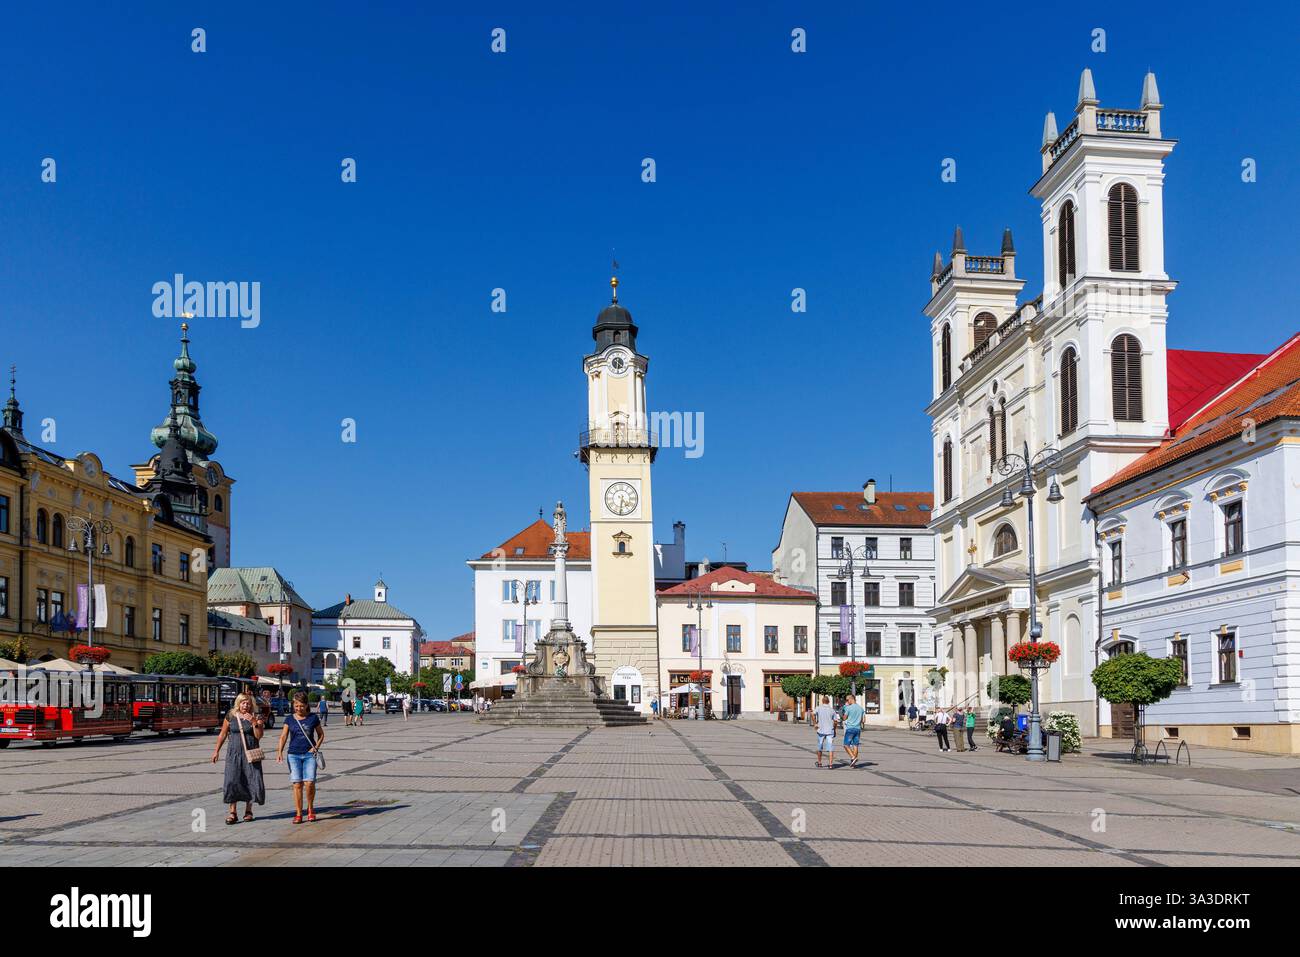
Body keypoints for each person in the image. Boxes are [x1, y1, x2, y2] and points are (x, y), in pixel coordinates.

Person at [210, 691, 266, 825]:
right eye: (243, 703)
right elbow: (223, 734)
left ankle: (248, 811)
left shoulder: (256, 716)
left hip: (250, 753)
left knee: (250, 779)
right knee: (232, 780)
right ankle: (232, 812)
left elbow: (259, 735)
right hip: (233, 753)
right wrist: (216, 751)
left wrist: (254, 723)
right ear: (238, 703)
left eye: (248, 703)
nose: (245, 705)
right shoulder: (231, 715)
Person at [276, 692, 324, 824]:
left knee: (309, 783)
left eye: (301, 706)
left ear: (306, 705)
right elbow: (283, 736)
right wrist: (279, 751)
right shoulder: (289, 719)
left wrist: (316, 747)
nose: (298, 708)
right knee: (297, 784)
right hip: (293, 755)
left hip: (310, 755)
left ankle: (310, 809)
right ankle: (298, 813)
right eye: (296, 706)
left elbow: (321, 735)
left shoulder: (313, 718)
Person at [840, 694, 866, 768]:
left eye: (847, 700)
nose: (847, 701)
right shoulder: (861, 708)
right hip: (858, 729)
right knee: (855, 745)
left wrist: (843, 715)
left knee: (846, 745)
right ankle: (853, 764)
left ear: (851, 699)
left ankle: (853, 757)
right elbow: (863, 720)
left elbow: (844, 718)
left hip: (850, 729)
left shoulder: (848, 708)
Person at [812, 695, 838, 769]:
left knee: (820, 747)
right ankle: (830, 764)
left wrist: (815, 724)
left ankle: (819, 763)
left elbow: (812, 714)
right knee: (830, 748)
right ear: (829, 702)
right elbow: (836, 721)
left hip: (821, 730)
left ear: (822, 701)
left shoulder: (818, 708)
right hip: (830, 730)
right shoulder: (832, 710)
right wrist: (835, 729)